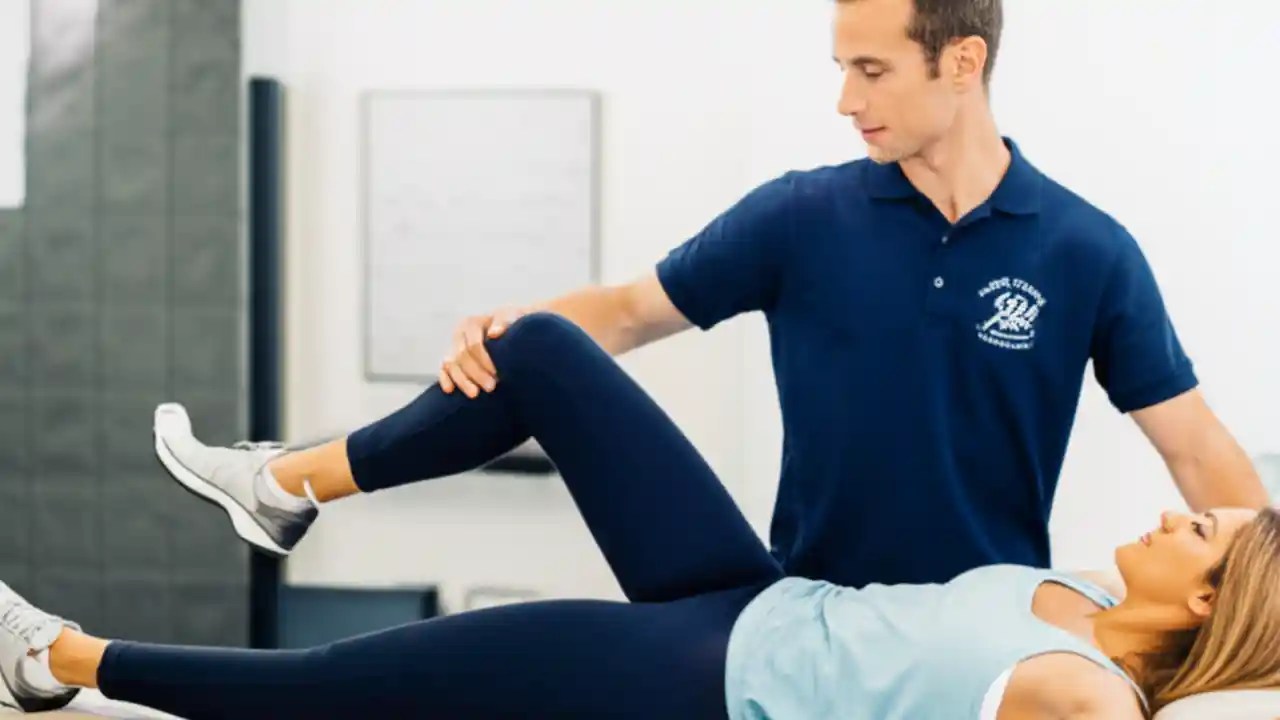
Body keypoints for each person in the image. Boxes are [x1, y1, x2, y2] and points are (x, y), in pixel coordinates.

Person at [2, 314, 1276, 719]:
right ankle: (283, 486)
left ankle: (57, 661)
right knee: (544, 353)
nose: (1181, 518)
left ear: (1212, 601)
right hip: (749, 594)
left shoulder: (1089, 700)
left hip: (697, 679)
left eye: (1201, 535)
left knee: (347, 688)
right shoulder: (1091, 604)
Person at [435, 0, 1267, 590]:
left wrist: (1267, 600)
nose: (846, 100)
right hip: (810, 625)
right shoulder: (798, 216)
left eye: (872, 70)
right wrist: (516, 326)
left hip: (987, 635)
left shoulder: (1088, 251)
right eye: (842, 69)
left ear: (963, 62)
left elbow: (1192, 445)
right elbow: (624, 312)